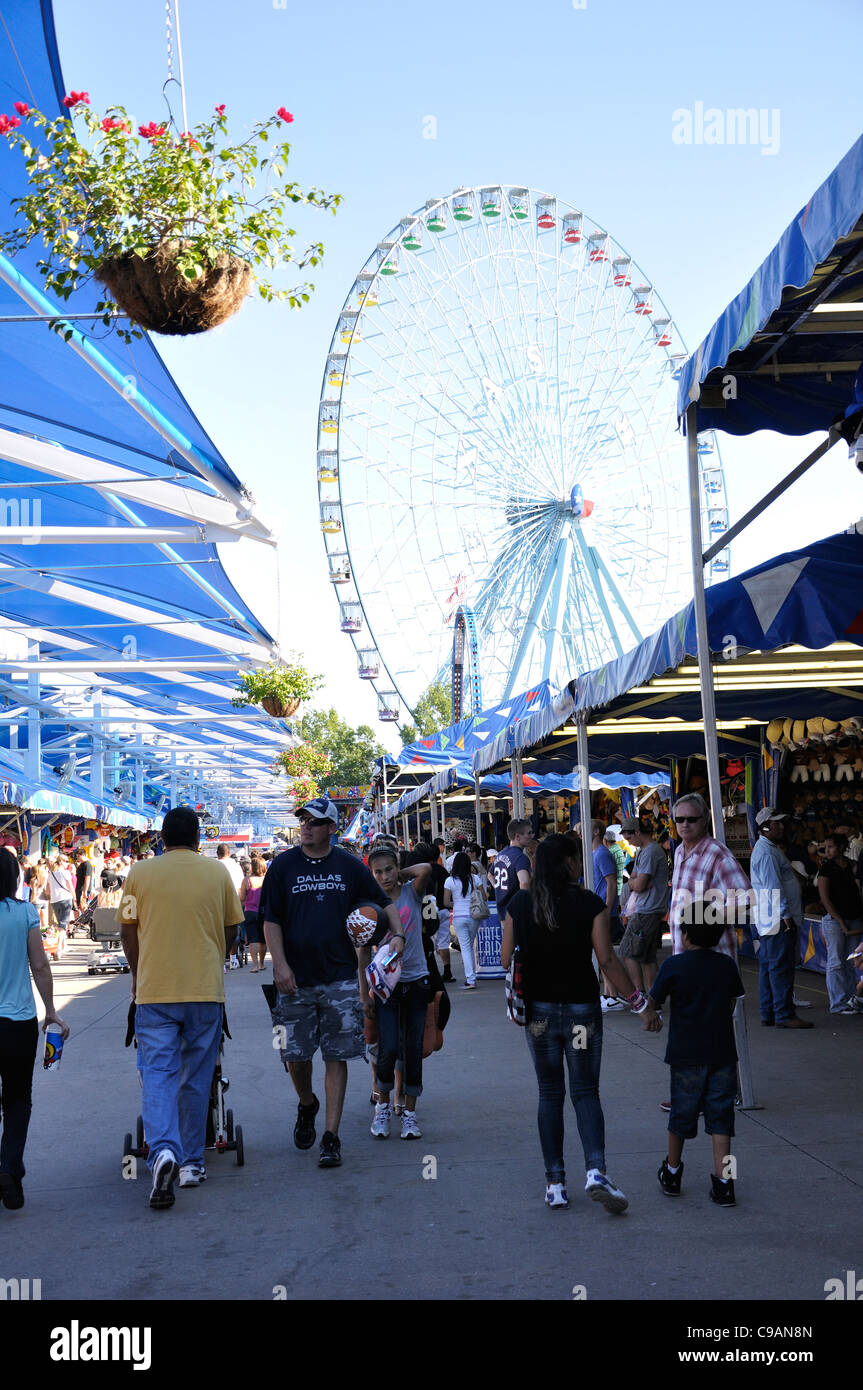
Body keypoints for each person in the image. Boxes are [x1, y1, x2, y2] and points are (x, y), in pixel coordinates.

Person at [501, 834, 660, 1212]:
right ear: (571, 863)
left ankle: (555, 1183)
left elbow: (506, 956)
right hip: (580, 1013)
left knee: (549, 1094)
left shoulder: (520, 904)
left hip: (538, 1013)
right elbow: (607, 961)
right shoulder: (590, 903)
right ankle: (595, 1171)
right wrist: (641, 1005)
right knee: (586, 1092)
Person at [260, 798, 405, 1169]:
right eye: (303, 820)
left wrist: (399, 933)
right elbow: (271, 919)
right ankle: (307, 1103)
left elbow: (382, 902)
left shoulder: (348, 866)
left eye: (314, 821)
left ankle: (331, 1137)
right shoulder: (282, 866)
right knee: (295, 1056)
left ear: (331, 828)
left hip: (339, 978)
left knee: (337, 1055)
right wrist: (279, 965)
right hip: (295, 978)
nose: (306, 826)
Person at [118, 807, 244, 1210]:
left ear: (162, 838)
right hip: (205, 992)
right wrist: (215, 958)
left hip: (155, 993)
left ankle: (163, 1152)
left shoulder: (139, 873)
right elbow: (231, 928)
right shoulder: (217, 873)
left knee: (157, 1074)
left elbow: (127, 929)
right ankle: (191, 1162)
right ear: (198, 839)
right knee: (197, 1078)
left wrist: (139, 972)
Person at [651, 905, 745, 1207]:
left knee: (681, 1114)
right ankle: (725, 1181)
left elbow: (654, 1001)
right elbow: (732, 1003)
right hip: (722, 1053)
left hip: (685, 1053)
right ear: (718, 933)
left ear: (684, 932)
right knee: (722, 1119)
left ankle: (673, 1171)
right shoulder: (727, 965)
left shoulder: (673, 966)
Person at [0, 849, 69, 1210]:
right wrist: (52, 1011)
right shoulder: (25, 913)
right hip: (17, 1023)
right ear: (14, 878)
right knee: (16, 1100)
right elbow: (40, 966)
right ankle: (9, 1171)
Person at [367, 845, 433, 1139]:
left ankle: (409, 1113)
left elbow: (426, 870)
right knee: (388, 1048)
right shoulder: (371, 905)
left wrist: (400, 876)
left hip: (417, 980)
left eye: (389, 869)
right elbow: (360, 952)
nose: (385, 877)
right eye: (378, 872)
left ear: (398, 867)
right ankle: (381, 1107)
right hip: (385, 987)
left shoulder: (411, 893)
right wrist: (362, 993)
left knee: (412, 1051)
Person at [749, 807, 813, 1029]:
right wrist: (785, 914)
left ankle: (770, 1012)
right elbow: (772, 887)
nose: (782, 826)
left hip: (770, 919)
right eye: (777, 823)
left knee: (770, 967)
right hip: (777, 920)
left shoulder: (767, 849)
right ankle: (784, 1014)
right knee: (780, 968)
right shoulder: (766, 852)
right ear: (766, 827)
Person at [618, 816, 669, 995]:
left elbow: (638, 884)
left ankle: (639, 994)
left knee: (627, 951)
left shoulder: (650, 852)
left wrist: (635, 883)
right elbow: (635, 880)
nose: (629, 843)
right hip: (648, 909)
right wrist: (636, 882)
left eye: (630, 838)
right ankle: (653, 997)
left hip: (647, 910)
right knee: (648, 957)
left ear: (638, 832)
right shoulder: (643, 851)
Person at [816, 832, 863, 1015]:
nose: (827, 851)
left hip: (854, 917)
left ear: (842, 847)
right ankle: (838, 1003)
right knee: (835, 961)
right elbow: (825, 899)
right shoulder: (826, 869)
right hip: (835, 920)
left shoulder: (853, 866)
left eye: (831, 847)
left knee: (852, 961)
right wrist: (840, 921)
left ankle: (853, 1000)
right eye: (825, 847)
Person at [444, 850, 486, 989]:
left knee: (466, 948)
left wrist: (456, 904)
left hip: (459, 917)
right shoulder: (475, 878)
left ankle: (471, 979)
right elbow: (484, 897)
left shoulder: (449, 881)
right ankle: (471, 976)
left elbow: (446, 902)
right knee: (470, 947)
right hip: (474, 916)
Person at [490, 818, 532, 924]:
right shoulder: (520, 857)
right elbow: (524, 882)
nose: (532, 836)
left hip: (502, 912)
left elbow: (490, 875)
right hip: (517, 912)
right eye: (529, 833)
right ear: (517, 836)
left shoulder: (500, 854)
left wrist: (499, 888)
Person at [240, 853, 268, 973]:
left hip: (250, 912)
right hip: (264, 912)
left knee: (252, 939)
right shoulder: (267, 880)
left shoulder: (247, 880)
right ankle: (262, 964)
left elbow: (242, 898)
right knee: (263, 939)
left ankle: (255, 965)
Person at [45, 854, 75, 960]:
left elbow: (47, 890)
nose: (68, 863)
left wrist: (51, 895)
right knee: (63, 925)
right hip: (65, 898)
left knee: (61, 924)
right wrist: (74, 898)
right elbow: (70, 886)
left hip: (54, 900)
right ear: (61, 861)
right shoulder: (65, 873)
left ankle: (63, 946)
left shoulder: (51, 874)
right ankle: (59, 949)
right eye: (66, 861)